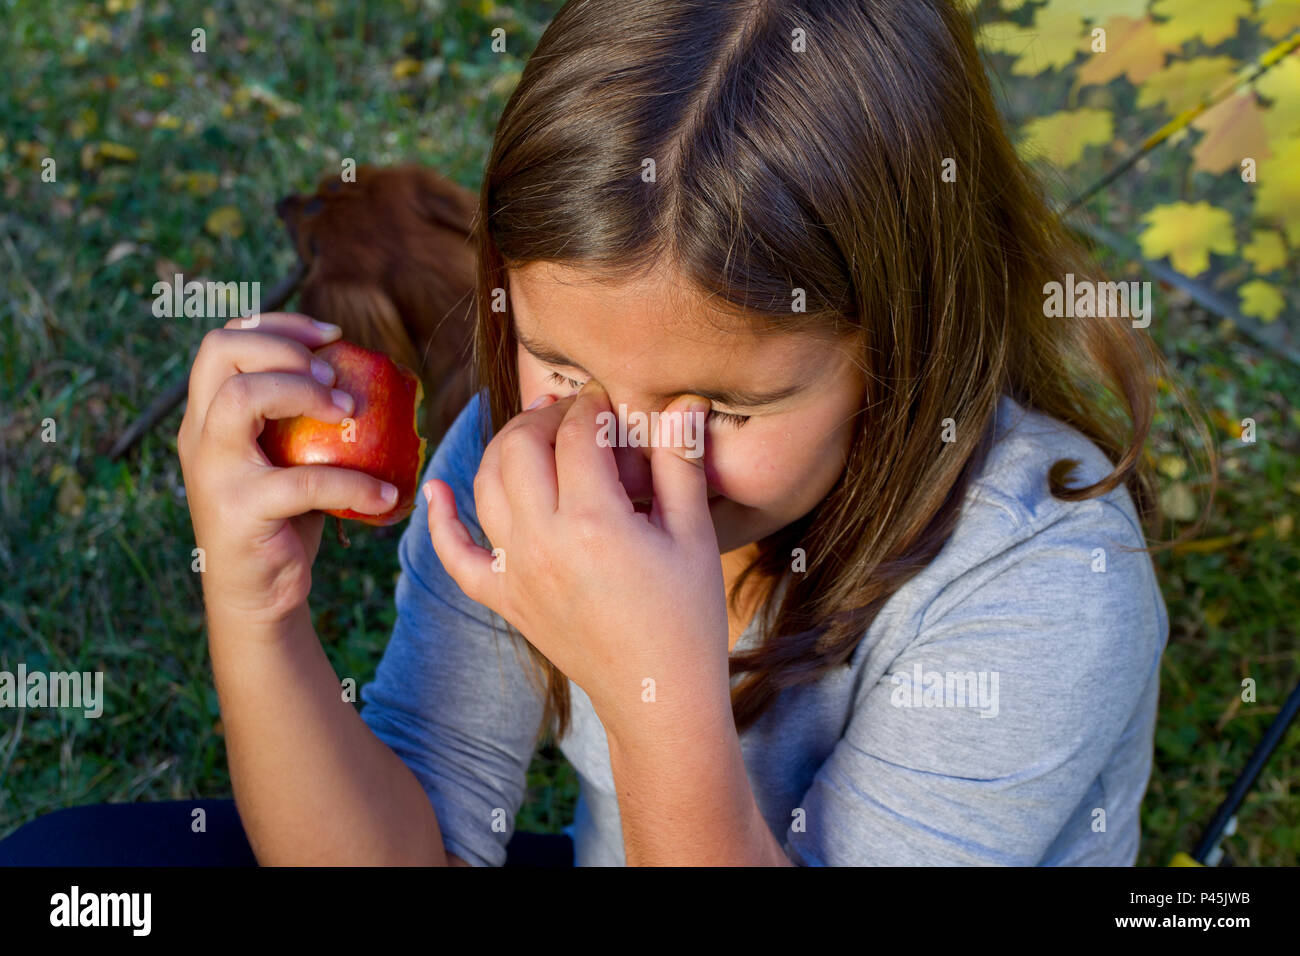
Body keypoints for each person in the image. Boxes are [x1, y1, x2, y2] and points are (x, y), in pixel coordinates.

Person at [17, 0, 1210, 866]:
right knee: (66, 876)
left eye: (725, 408)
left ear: (906, 351)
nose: (625, 455)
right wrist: (257, 608)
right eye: (563, 361)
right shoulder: (521, 450)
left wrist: (658, 694)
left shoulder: (1045, 584)